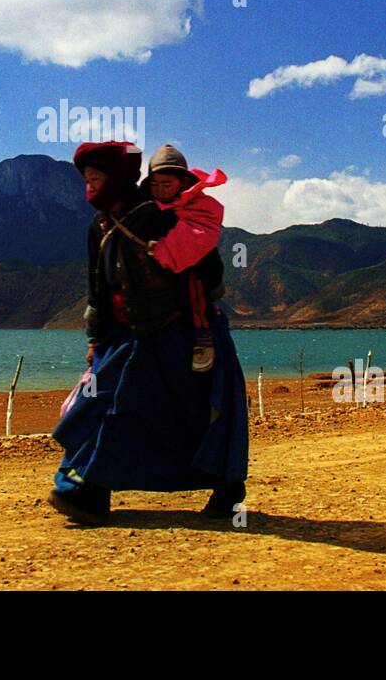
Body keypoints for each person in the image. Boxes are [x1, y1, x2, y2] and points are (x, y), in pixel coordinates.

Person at [47, 140, 249, 527]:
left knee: (201, 410)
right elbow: (97, 290)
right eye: (86, 180)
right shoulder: (99, 226)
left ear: (117, 179)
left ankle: (227, 489)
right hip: (122, 336)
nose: (89, 187)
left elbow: (210, 272)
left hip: (184, 333)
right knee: (100, 405)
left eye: (96, 179)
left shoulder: (162, 218)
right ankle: (84, 489)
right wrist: (94, 338)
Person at [142, 143, 228, 373]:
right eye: (155, 184)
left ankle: (202, 335)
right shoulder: (145, 208)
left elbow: (198, 236)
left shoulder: (201, 206)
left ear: (183, 182)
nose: (160, 189)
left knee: (192, 283)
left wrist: (163, 249)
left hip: (200, 269)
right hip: (158, 271)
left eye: (167, 184)